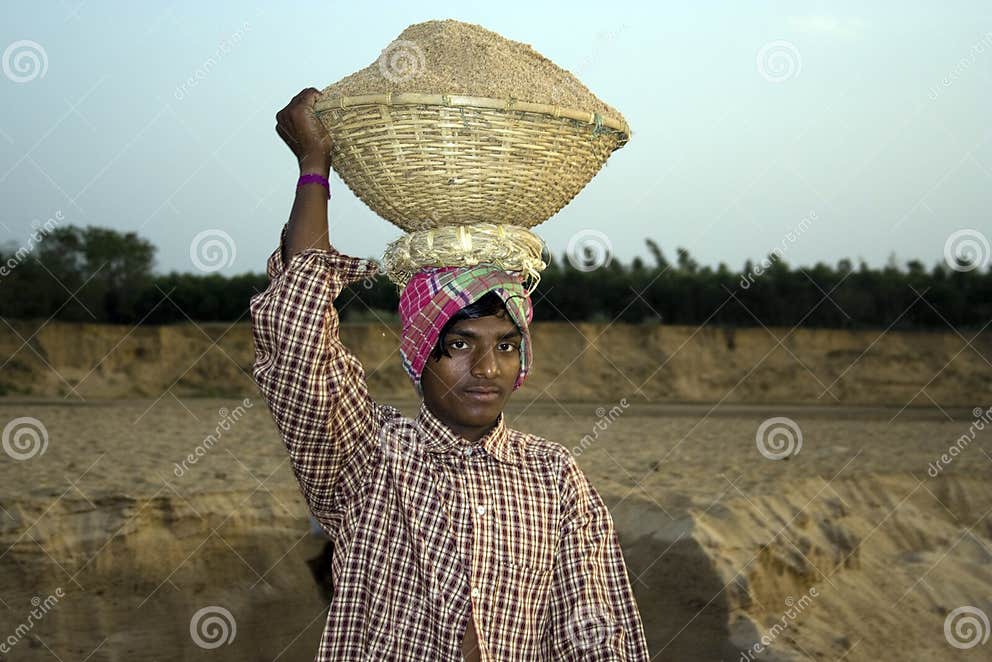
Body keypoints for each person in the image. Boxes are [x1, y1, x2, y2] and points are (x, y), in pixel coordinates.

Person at [250, 87, 650, 661]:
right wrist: (315, 165)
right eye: (459, 345)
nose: (487, 369)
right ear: (417, 354)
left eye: (507, 346)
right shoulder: (367, 457)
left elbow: (597, 634)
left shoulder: (555, 480)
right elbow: (297, 332)